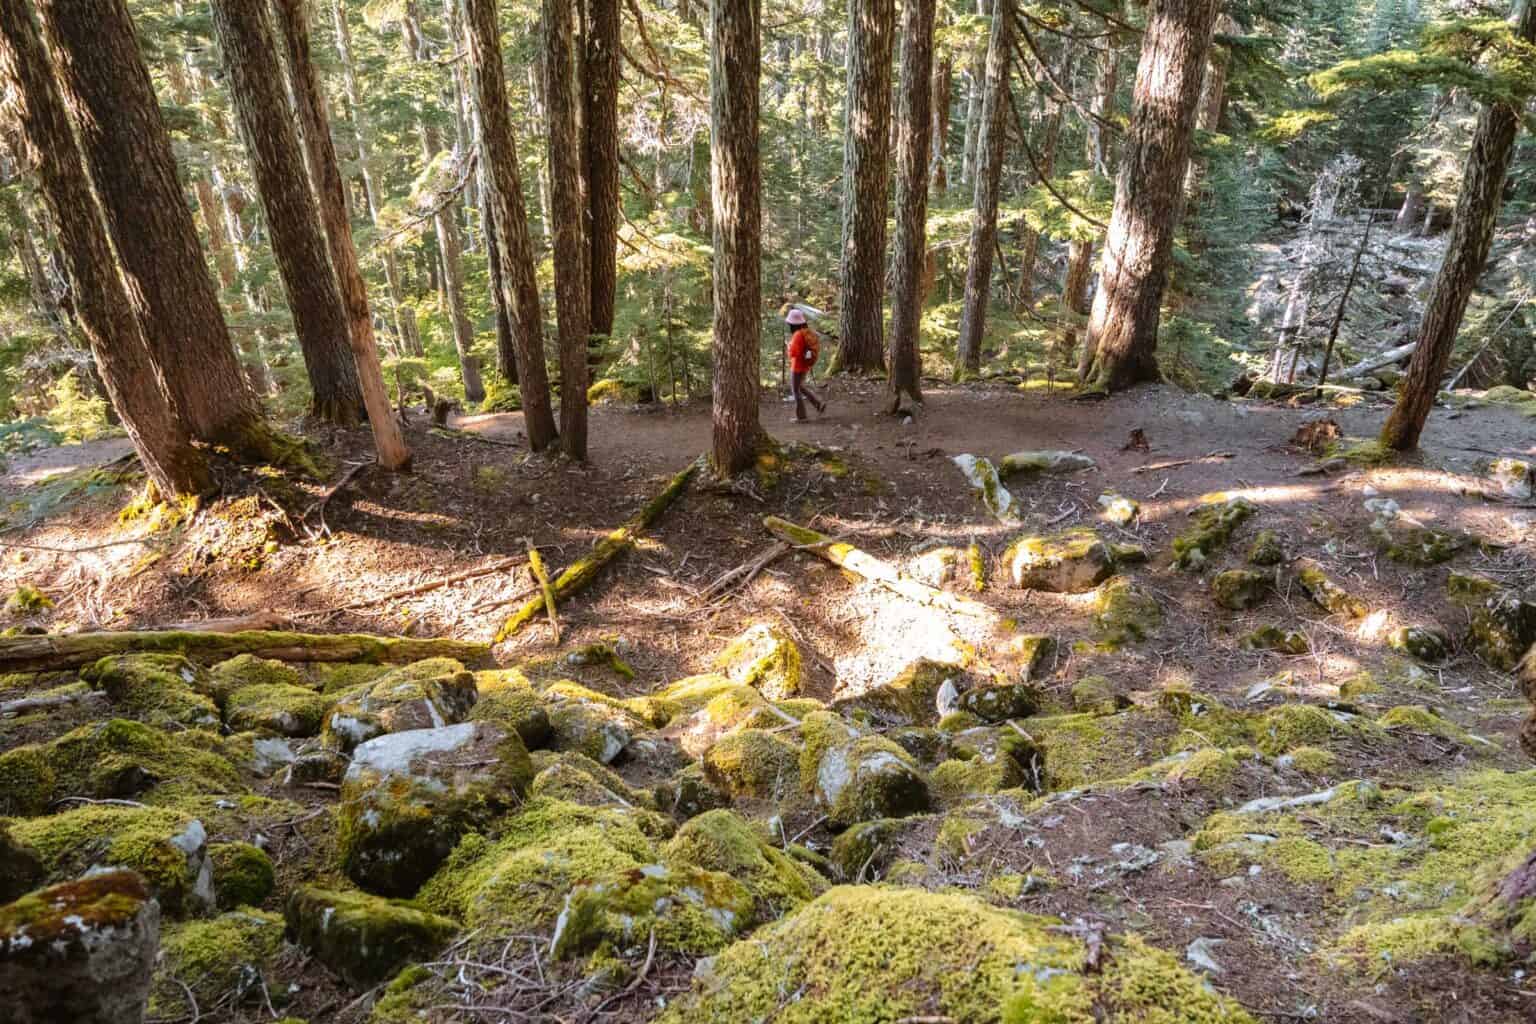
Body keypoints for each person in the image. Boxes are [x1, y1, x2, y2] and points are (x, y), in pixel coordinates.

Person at [785, 308, 826, 422]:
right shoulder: (807, 332)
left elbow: (794, 353)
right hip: (805, 366)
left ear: (792, 324)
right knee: (800, 387)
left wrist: (788, 347)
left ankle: (801, 417)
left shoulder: (798, 335)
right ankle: (819, 404)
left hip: (797, 366)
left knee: (795, 390)